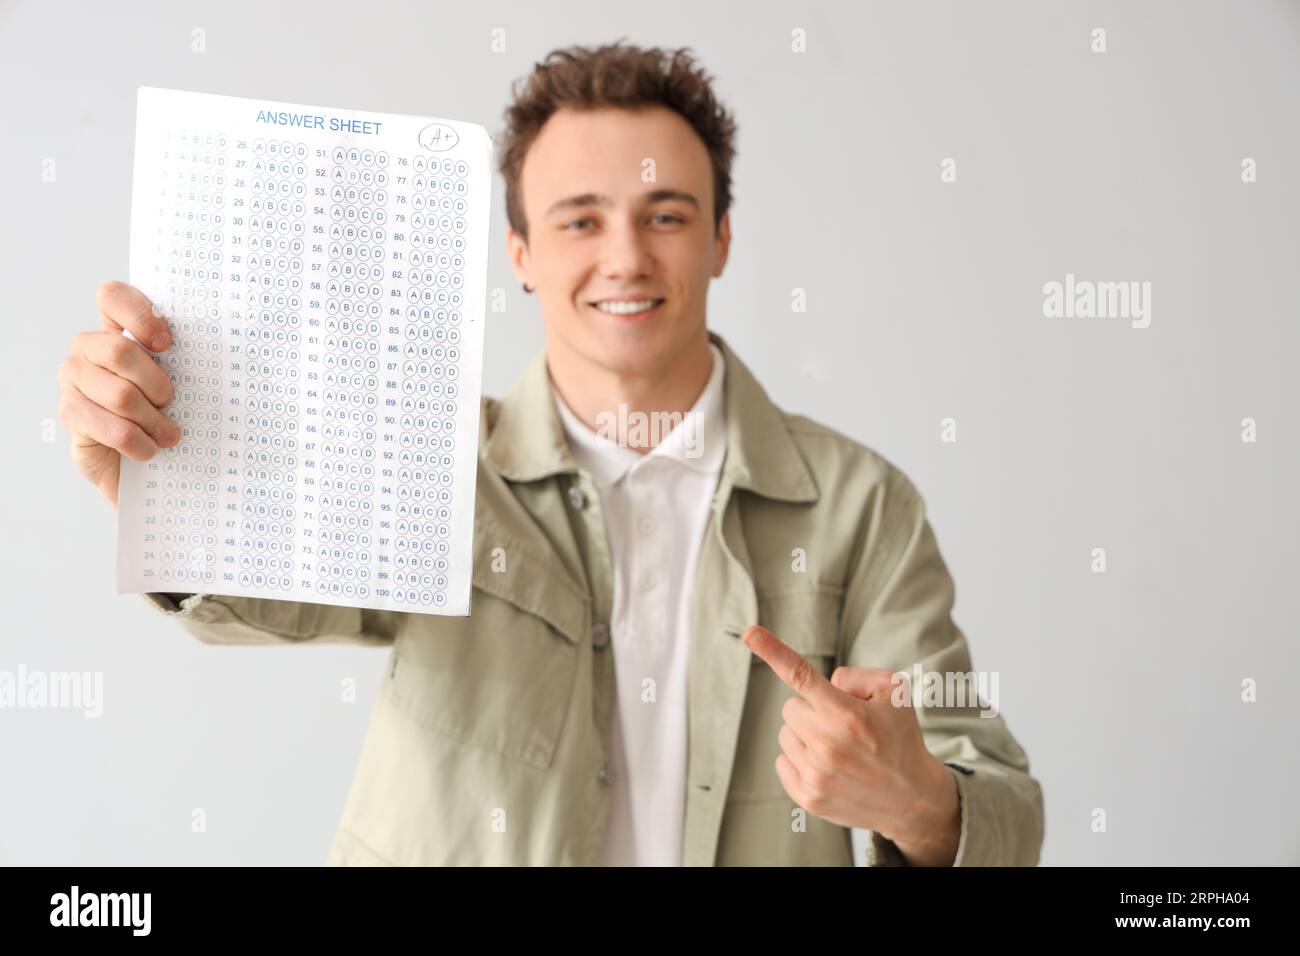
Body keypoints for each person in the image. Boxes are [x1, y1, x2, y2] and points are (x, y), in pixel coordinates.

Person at [56, 41, 1044, 866]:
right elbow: (268, 587)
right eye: (579, 219)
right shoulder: (429, 457)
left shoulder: (861, 503)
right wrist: (156, 480)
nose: (625, 256)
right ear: (521, 253)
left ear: (721, 239)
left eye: (665, 214)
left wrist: (918, 802)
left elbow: (1000, 796)